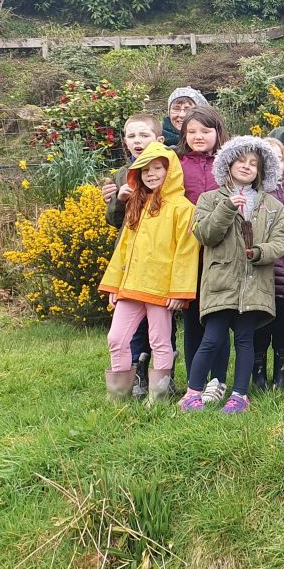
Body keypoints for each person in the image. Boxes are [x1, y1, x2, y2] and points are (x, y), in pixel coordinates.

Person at [180, 136, 284, 413]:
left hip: (254, 284)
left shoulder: (272, 206)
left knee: (245, 340)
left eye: (254, 163)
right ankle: (192, 393)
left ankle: (240, 396)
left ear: (261, 171)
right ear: (227, 164)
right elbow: (205, 234)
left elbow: (281, 241)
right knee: (212, 338)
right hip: (221, 283)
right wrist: (228, 207)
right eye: (241, 160)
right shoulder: (209, 199)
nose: (247, 166)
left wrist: (260, 252)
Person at [98, 142, 199, 402]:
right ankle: (118, 396)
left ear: (170, 171)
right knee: (116, 338)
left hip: (161, 289)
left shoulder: (183, 208)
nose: (151, 174)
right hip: (131, 287)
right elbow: (123, 248)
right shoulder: (138, 204)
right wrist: (114, 285)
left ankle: (159, 397)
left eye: (157, 168)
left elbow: (186, 253)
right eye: (145, 170)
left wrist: (179, 291)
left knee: (159, 340)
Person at [100, 114, 173, 398]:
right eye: (131, 136)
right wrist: (118, 201)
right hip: (131, 264)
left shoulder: (169, 169)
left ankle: (161, 386)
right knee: (125, 334)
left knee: (160, 334)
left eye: (144, 135)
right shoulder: (122, 175)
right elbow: (115, 221)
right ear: (125, 141)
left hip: (158, 268)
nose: (138, 141)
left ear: (159, 140)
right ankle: (130, 384)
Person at [176, 105, 231, 403]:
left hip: (221, 251)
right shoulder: (177, 163)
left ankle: (217, 380)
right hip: (189, 251)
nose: (198, 136)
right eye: (192, 131)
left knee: (218, 315)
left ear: (217, 132)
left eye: (205, 131)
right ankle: (193, 380)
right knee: (192, 318)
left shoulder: (228, 161)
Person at [250, 138, 284, 391]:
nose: (274, 163)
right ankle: (258, 373)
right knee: (260, 328)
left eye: (279, 158)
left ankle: (283, 374)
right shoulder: (252, 195)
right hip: (262, 274)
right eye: (268, 158)